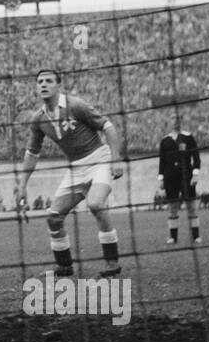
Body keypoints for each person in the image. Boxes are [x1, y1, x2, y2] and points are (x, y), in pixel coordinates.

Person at [15, 68, 126, 278]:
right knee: (54, 217)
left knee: (95, 204)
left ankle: (112, 262)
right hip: (76, 168)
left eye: (48, 81)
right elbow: (32, 153)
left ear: (58, 85)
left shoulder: (76, 105)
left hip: (99, 160)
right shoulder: (38, 119)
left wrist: (116, 158)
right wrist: (22, 186)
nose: (43, 85)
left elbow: (108, 126)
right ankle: (64, 266)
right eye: (40, 82)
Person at [158, 119, 202, 246]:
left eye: (177, 120)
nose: (175, 123)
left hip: (186, 176)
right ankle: (173, 237)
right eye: (173, 120)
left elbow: (196, 157)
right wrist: (161, 178)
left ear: (180, 123)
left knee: (191, 207)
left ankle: (196, 237)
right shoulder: (165, 140)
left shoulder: (188, 137)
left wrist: (195, 175)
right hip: (170, 178)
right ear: (169, 123)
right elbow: (162, 161)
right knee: (172, 208)